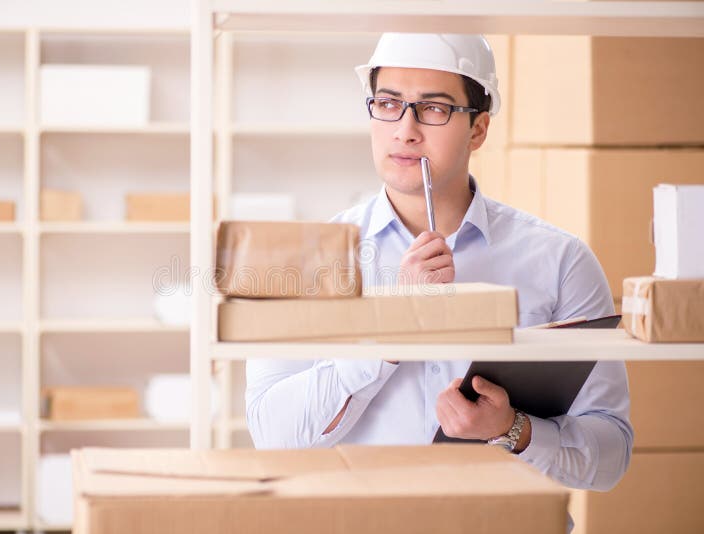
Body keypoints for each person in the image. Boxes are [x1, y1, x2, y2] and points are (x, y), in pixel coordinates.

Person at [245, 33, 632, 493]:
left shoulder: (560, 260)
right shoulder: (305, 262)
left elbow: (611, 456)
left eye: (434, 108)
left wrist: (512, 429)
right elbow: (274, 435)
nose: (405, 130)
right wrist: (388, 333)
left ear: (478, 129)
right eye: (388, 103)